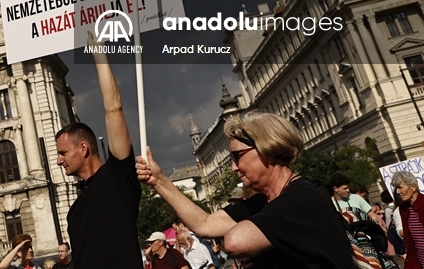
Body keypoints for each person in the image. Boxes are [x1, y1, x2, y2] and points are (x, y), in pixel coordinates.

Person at [136, 110, 355, 268]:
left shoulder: (300, 198)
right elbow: (204, 224)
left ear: (267, 148)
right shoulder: (262, 202)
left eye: (237, 156)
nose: (233, 167)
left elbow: (235, 242)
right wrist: (159, 181)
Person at [56, 42, 141, 269]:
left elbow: (114, 108)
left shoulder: (118, 178)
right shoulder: (75, 211)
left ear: (83, 149)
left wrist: (98, 53)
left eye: (63, 152)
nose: (58, 160)